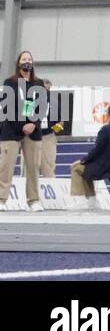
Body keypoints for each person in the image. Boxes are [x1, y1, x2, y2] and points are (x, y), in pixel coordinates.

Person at [0, 51, 47, 211]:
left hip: (33, 132)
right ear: (18, 63)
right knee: (6, 166)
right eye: (24, 59)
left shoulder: (38, 84)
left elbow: (42, 106)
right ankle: (1, 199)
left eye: (29, 59)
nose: (27, 61)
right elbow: (7, 106)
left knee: (33, 167)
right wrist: (22, 126)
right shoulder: (10, 82)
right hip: (12, 131)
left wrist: (33, 123)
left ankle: (33, 200)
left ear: (32, 63)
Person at [69, 103, 110, 211]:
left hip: (105, 167)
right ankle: (92, 201)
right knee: (86, 169)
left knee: (76, 168)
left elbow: (97, 150)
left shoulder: (105, 129)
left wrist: (83, 160)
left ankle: (80, 200)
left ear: (108, 115)